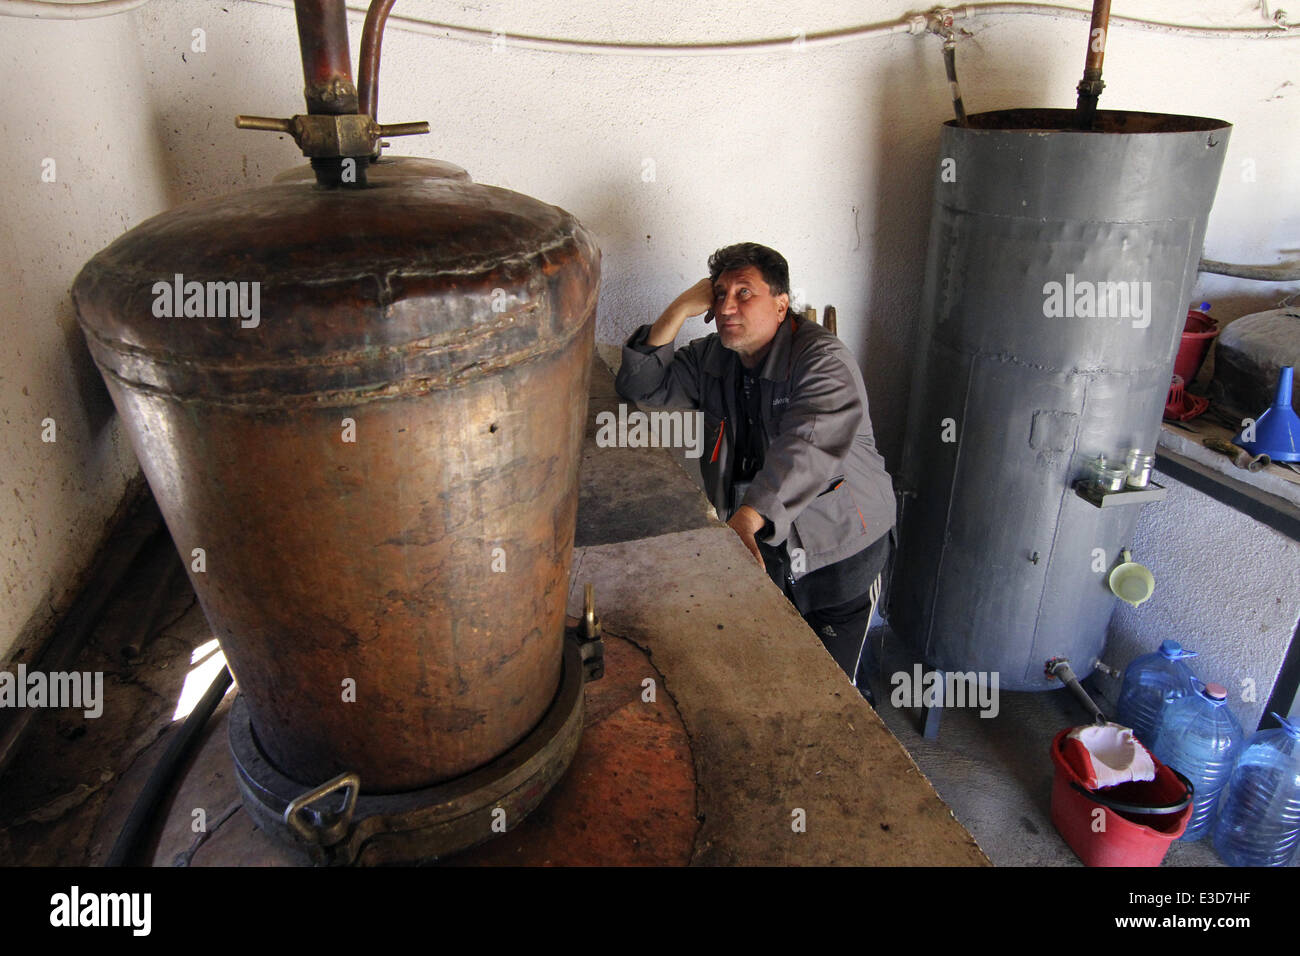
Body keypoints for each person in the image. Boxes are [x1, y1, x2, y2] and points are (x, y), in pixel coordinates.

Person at [615, 242, 896, 701]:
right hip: (768, 544)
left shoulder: (822, 360)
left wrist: (747, 516)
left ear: (781, 304)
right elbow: (640, 384)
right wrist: (680, 308)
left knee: (830, 692)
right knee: (772, 670)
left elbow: (806, 447)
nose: (727, 306)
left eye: (745, 293)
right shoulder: (715, 359)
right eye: (719, 293)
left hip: (840, 547)